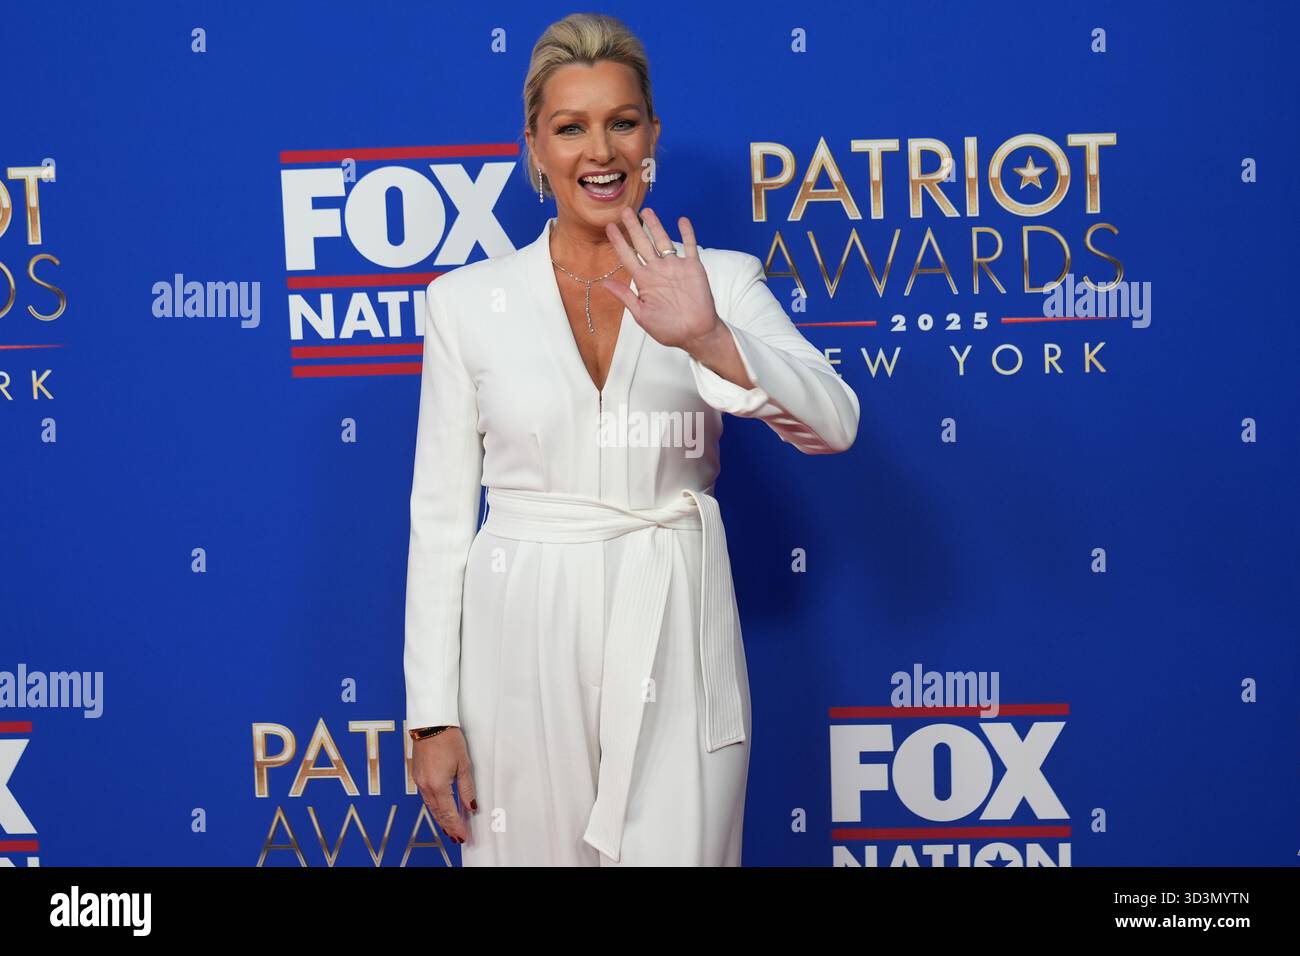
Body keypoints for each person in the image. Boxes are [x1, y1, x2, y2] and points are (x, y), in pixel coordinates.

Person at [404, 12, 860, 866]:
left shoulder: (720, 279)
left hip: (676, 616)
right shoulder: (465, 302)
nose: (599, 151)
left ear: (652, 135)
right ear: (534, 149)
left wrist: (711, 337)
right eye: (569, 128)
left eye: (621, 122)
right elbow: (438, 523)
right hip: (522, 631)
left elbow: (835, 423)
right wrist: (432, 714)